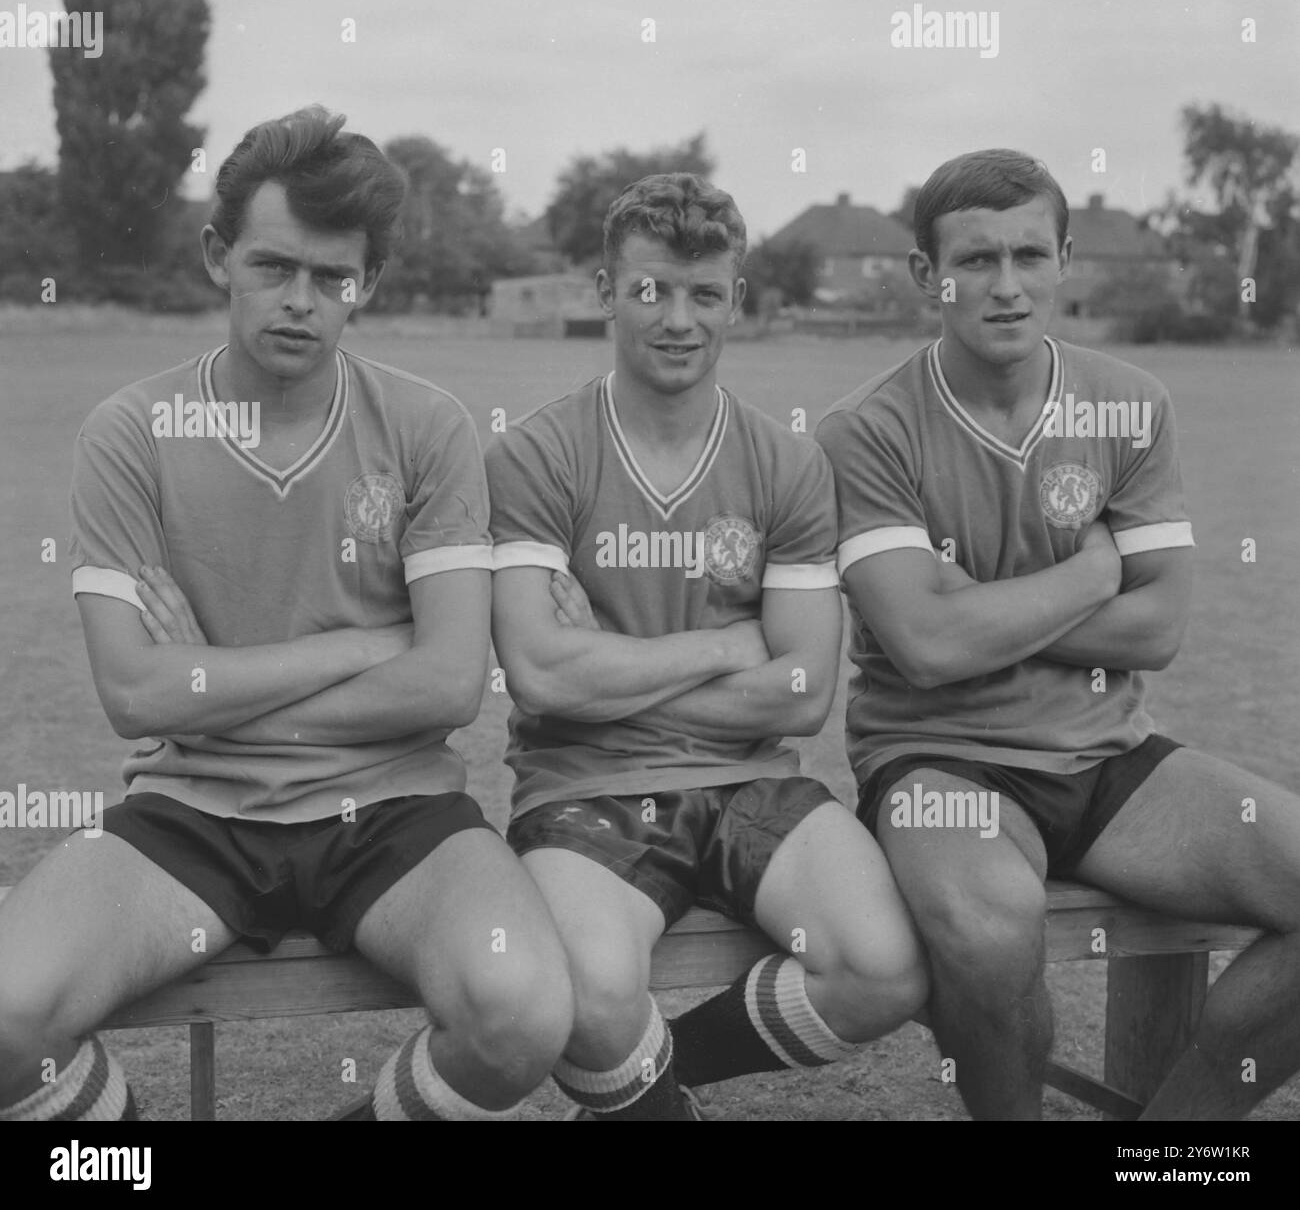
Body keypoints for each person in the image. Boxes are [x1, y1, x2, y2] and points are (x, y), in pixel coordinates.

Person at [0, 106, 572, 1123]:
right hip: (193, 813)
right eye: (274, 267)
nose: (300, 301)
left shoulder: (428, 426)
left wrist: (209, 687)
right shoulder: (131, 433)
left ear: (370, 284)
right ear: (219, 255)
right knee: (5, 1018)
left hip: (394, 811)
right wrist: (361, 647)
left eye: (332, 277)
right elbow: (134, 694)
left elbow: (445, 684)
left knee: (521, 1014)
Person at [815, 147, 1300, 1120]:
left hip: (1109, 753)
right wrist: (1087, 573)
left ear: (1065, 260)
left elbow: (1159, 626)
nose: (1005, 287)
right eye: (976, 260)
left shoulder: (1128, 403)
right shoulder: (863, 430)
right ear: (925, 276)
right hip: (942, 761)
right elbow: (926, 648)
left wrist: (978, 605)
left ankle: (1171, 1141)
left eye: (1029, 256)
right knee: (990, 935)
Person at [486, 172, 927, 1121]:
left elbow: (803, 692)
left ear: (739, 302)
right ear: (606, 292)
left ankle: (656, 1074)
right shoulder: (535, 455)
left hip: (752, 783)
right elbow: (538, 674)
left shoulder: (788, 462)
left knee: (886, 969)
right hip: (586, 787)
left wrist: (604, 664)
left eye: (704, 294)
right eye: (650, 289)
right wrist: (727, 646)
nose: (676, 318)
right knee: (596, 996)